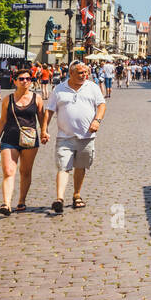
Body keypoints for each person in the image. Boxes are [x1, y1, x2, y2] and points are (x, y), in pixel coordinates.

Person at [43, 62, 106, 213]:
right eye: (80, 73)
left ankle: (76, 194)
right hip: (64, 136)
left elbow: (101, 105)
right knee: (63, 167)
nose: (84, 75)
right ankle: (59, 198)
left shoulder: (92, 87)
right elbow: (49, 110)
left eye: (86, 72)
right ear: (71, 73)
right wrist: (44, 129)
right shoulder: (59, 89)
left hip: (87, 136)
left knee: (80, 167)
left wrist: (97, 120)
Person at [0, 67, 48, 214]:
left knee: (25, 171)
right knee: (9, 171)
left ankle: (21, 201)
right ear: (15, 81)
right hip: (9, 138)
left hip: (29, 139)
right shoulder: (8, 99)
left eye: (28, 79)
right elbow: (3, 120)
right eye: (21, 79)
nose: (25, 81)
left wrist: (44, 132)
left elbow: (42, 118)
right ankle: (6, 204)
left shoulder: (37, 98)